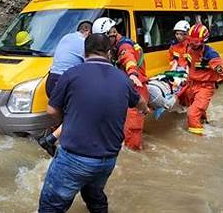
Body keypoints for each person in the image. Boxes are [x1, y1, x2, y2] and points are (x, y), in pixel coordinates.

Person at [38, 33, 148, 212]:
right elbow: (141, 103)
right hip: (107, 161)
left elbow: (51, 110)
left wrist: (64, 124)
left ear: (84, 52)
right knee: (94, 196)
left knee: (52, 206)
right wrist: (144, 109)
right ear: (109, 53)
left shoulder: (71, 74)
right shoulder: (123, 79)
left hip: (74, 158)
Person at [92, 17, 149, 151]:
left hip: (136, 87)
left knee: (132, 127)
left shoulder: (124, 46)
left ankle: (134, 154)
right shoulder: (115, 46)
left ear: (112, 34)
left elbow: (128, 59)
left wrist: (133, 74)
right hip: (126, 87)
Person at [178, 24, 223, 135]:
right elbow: (188, 63)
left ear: (203, 41)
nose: (193, 44)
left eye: (196, 42)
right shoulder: (189, 48)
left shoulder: (210, 56)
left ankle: (197, 140)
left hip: (205, 87)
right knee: (194, 109)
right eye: (191, 41)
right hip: (191, 84)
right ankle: (204, 124)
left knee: (192, 113)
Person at [37, 20, 92, 156]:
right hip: (65, 81)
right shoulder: (83, 42)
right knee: (76, 114)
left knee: (64, 115)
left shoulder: (66, 37)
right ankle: (51, 141)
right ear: (88, 31)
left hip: (50, 80)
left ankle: (54, 140)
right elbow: (91, 65)